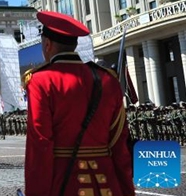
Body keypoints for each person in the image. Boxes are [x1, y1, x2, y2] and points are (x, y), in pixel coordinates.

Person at [23, 11, 134, 196]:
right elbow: (119, 145)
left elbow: (40, 146)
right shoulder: (107, 79)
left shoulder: (41, 80)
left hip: (65, 186)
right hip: (107, 184)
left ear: (47, 45)